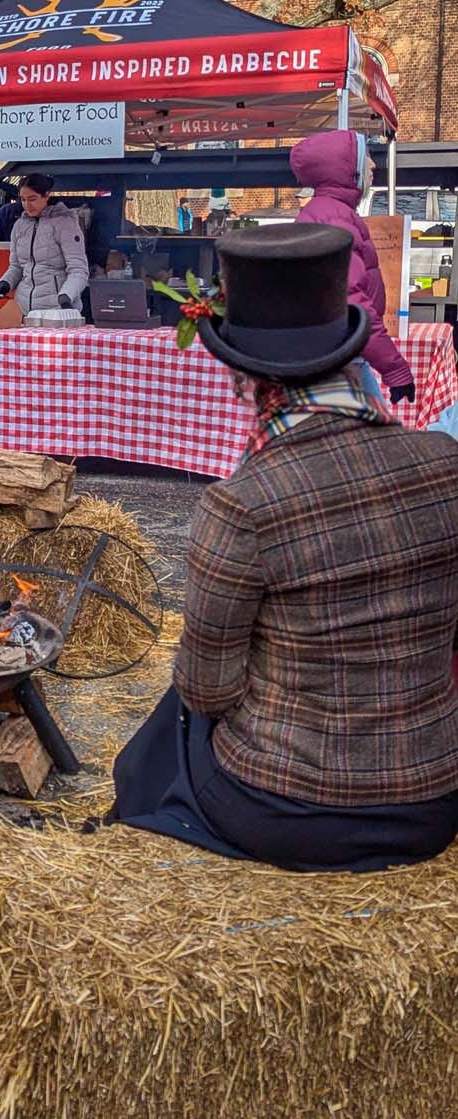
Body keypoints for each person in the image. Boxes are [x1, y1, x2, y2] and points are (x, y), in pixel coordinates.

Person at [111, 223, 458, 872]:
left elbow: (206, 691)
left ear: (249, 381)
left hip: (289, 811)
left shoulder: (243, 503)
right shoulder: (447, 461)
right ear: (351, 356)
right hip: (434, 802)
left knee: (168, 725)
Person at [291, 129, 414, 406]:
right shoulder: (334, 218)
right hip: (338, 355)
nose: (372, 164)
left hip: (337, 352)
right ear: (346, 169)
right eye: (366, 156)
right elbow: (350, 303)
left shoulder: (330, 212)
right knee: (375, 440)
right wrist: (394, 369)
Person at [0, 172, 88, 311]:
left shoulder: (65, 224)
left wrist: (66, 295)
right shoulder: (19, 226)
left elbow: (79, 270)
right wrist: (5, 283)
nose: (27, 205)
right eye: (23, 200)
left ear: (46, 196)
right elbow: (16, 266)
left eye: (32, 199)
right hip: (23, 308)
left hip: (57, 309)